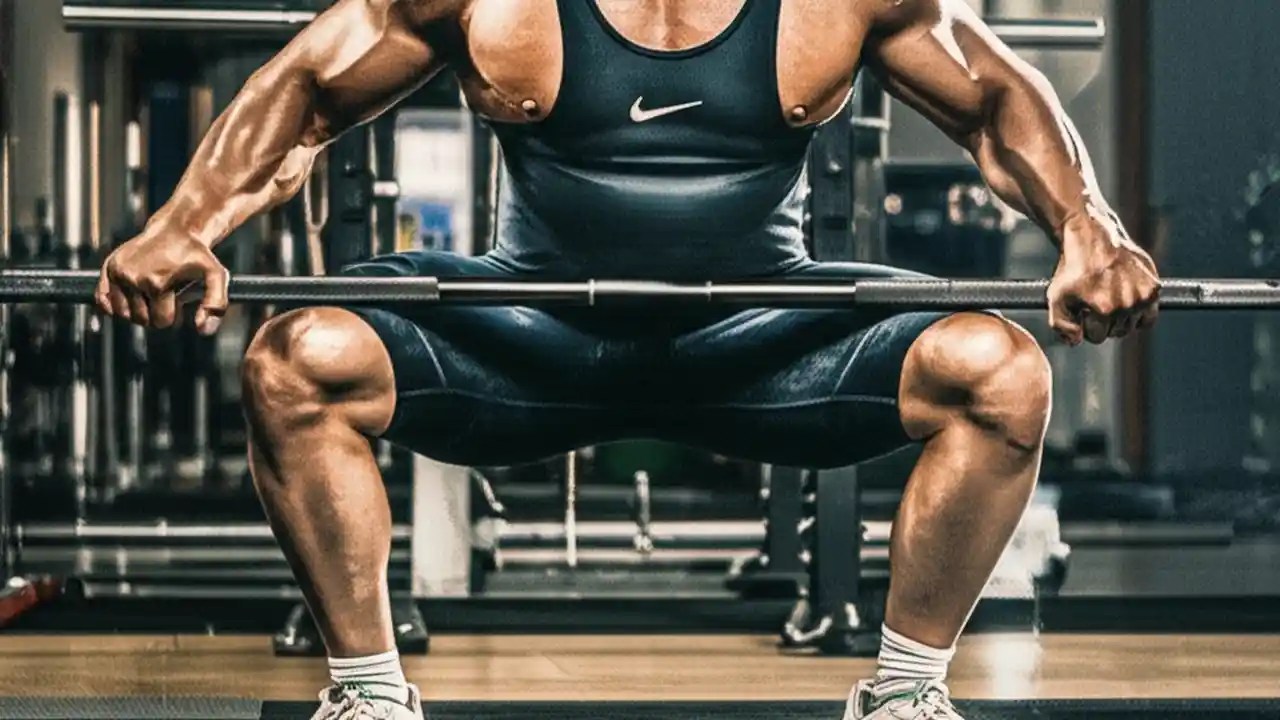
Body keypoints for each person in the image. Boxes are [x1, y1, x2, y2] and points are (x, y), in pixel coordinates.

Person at [95, 1, 1161, 718]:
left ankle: (903, 692)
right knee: (296, 358)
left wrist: (1088, 226)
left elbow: (992, 97)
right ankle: (370, 693)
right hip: (535, 333)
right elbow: (309, 91)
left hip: (760, 338)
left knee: (999, 367)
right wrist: (187, 223)